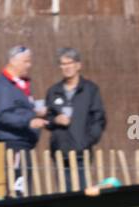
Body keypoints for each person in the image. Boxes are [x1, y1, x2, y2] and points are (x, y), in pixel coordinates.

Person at [45, 47, 107, 191]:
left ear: (78, 65)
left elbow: (99, 118)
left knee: (83, 192)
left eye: (70, 63)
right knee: (64, 194)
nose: (66, 67)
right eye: (63, 64)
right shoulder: (54, 91)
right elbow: (48, 118)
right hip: (60, 152)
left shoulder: (90, 90)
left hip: (81, 153)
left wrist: (87, 141)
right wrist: (55, 120)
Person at [0, 45, 47, 197]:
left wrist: (35, 111)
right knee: (17, 191)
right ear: (13, 61)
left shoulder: (20, 84)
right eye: (26, 61)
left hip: (24, 144)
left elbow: (17, 109)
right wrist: (29, 121)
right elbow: (2, 115)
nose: (29, 65)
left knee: (24, 188)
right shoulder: (2, 86)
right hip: (13, 145)